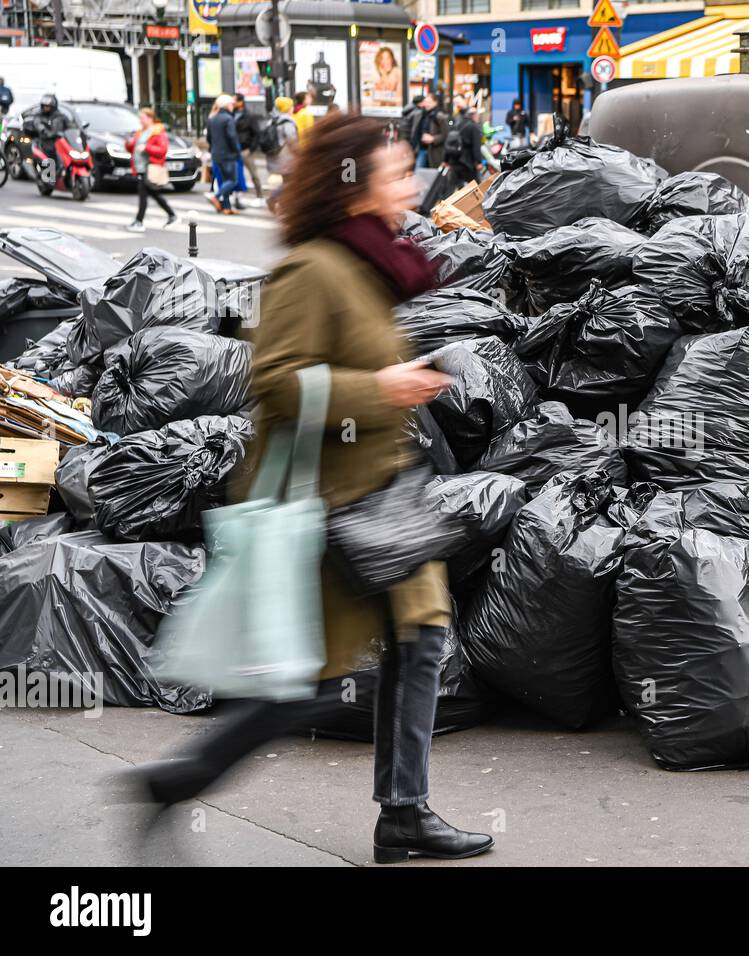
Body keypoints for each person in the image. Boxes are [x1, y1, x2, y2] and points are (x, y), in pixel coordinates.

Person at [129, 113, 495, 864]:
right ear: (352, 186)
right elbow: (275, 382)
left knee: (422, 639)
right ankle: (177, 778)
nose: (411, 185)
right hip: (326, 509)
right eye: (395, 173)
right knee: (306, 686)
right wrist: (380, 387)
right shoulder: (312, 269)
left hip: (386, 500)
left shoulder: (374, 264)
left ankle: (404, 811)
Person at [124, 107, 177, 232]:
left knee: (144, 194)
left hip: (150, 167)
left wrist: (146, 147)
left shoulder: (157, 132)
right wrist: (128, 143)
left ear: (150, 118)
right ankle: (171, 215)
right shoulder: (140, 132)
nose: (140, 120)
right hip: (141, 167)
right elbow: (132, 147)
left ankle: (139, 221)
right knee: (152, 193)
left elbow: (162, 150)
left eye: (142, 118)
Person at [206, 94, 241, 214]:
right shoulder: (228, 119)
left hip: (216, 154)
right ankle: (216, 196)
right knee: (233, 180)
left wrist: (213, 149)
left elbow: (209, 138)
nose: (233, 106)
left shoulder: (212, 118)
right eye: (231, 104)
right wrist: (237, 151)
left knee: (225, 180)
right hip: (228, 154)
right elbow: (232, 137)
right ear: (226, 105)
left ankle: (227, 207)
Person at [263, 96, 299, 215]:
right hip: (286, 157)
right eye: (291, 106)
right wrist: (299, 153)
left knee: (287, 181)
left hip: (274, 156)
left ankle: (284, 205)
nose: (292, 108)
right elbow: (292, 139)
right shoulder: (287, 121)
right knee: (290, 181)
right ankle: (273, 198)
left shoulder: (272, 120)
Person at [232, 92, 264, 203]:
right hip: (234, 149)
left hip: (245, 149)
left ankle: (259, 196)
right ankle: (237, 196)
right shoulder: (231, 114)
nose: (233, 103)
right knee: (236, 174)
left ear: (241, 102)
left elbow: (256, 133)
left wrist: (251, 149)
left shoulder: (249, 116)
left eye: (235, 100)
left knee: (253, 174)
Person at [32, 93, 72, 180]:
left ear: (53, 106)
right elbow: (37, 124)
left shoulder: (61, 116)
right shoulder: (39, 115)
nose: (46, 108)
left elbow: (70, 126)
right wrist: (44, 131)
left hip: (60, 141)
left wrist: (74, 131)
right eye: (44, 106)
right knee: (50, 157)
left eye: (48, 106)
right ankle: (49, 177)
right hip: (46, 141)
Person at [409, 93, 446, 169]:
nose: (426, 104)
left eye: (429, 102)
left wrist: (433, 139)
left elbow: (446, 135)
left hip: (435, 151)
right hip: (421, 149)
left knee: (433, 175)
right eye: (425, 102)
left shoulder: (440, 116)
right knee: (419, 173)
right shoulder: (421, 114)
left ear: (435, 103)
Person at [447, 106, 481, 189]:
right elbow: (476, 146)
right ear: (473, 116)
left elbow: (449, 141)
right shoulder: (474, 127)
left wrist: (446, 159)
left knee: (455, 187)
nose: (479, 118)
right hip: (467, 161)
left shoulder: (457, 124)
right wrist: (478, 161)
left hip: (455, 159)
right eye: (478, 116)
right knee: (475, 186)